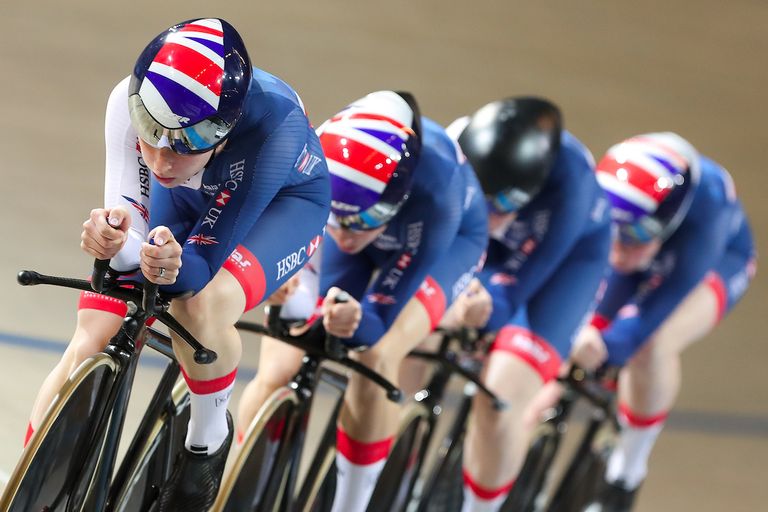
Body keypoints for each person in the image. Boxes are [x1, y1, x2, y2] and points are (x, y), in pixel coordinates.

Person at [24, 18, 330, 510]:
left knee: (199, 307)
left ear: (223, 133)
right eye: (150, 136)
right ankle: (30, 481)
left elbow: (199, 269)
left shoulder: (275, 126)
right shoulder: (129, 100)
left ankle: (206, 442)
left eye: (185, 143)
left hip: (281, 206)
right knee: (95, 325)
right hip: (193, 197)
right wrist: (114, 240)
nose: (161, 161)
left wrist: (171, 266)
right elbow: (128, 244)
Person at [235, 90, 489, 511]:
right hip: (360, 216)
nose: (348, 233)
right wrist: (284, 291)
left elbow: (377, 318)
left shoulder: (437, 190)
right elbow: (292, 273)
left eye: (365, 218)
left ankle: (351, 504)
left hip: (442, 244)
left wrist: (358, 319)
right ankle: (242, 489)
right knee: (280, 363)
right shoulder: (315, 161)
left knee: (376, 358)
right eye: (339, 215)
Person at [569, 132, 756, 511]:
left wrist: (608, 342)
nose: (619, 252)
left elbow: (650, 316)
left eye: (635, 236)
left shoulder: (709, 208)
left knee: (653, 344)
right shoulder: (618, 201)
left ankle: (628, 470)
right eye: (614, 234)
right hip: (653, 234)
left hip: (717, 261)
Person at [445, 96, 613, 512]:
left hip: (562, 266)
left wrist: (481, 308)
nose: (486, 214)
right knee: (413, 338)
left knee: (499, 398)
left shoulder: (571, 185)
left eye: (500, 204)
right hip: (495, 253)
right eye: (479, 199)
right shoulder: (454, 147)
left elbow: (512, 293)